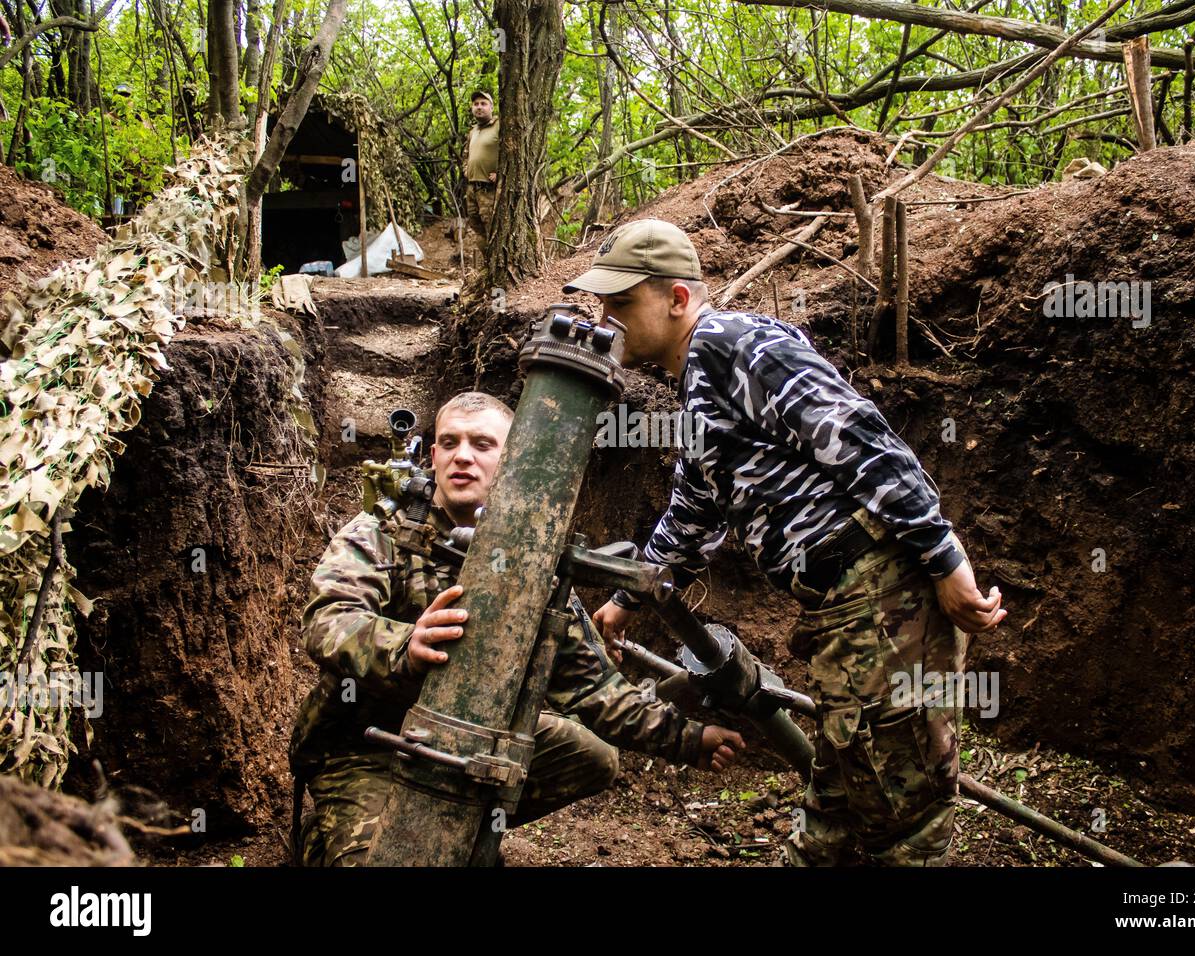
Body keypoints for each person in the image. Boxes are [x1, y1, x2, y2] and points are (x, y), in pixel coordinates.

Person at [564, 218, 1007, 867]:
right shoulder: (698, 384)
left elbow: (862, 441)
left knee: (903, 812)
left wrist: (944, 557)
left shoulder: (741, 346)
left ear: (678, 299)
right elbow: (695, 506)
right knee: (841, 800)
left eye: (622, 303)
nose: (608, 320)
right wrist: (627, 603)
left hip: (882, 598)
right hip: (842, 610)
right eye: (603, 305)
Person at [289, 390, 744, 866]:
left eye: (482, 444)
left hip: (471, 737)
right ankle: (323, 842)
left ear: (512, 461)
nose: (463, 456)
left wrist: (688, 739)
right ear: (432, 454)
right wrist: (406, 645)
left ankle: (457, 833)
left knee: (592, 755)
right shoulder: (381, 531)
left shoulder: (531, 555)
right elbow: (329, 620)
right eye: (450, 443)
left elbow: (590, 686)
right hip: (366, 744)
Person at [461, 91, 499, 262]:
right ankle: (487, 265)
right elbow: (466, 154)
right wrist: (466, 170)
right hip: (472, 189)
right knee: (477, 229)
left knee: (493, 230)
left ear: (491, 107)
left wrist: (501, 172)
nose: (479, 107)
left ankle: (496, 267)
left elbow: (512, 153)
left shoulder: (499, 125)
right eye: (476, 104)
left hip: (489, 190)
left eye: (483, 103)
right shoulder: (473, 131)